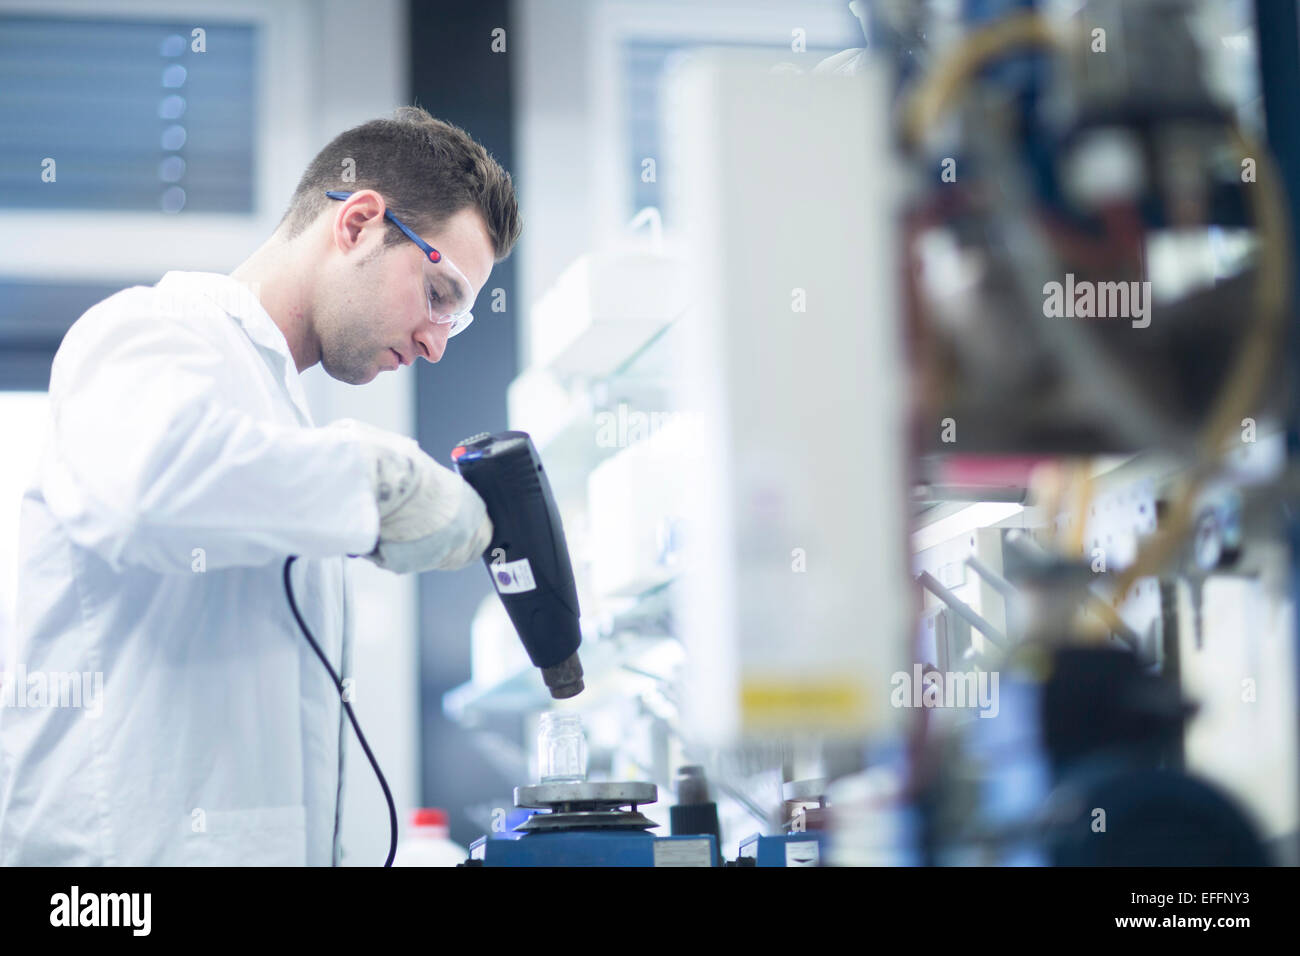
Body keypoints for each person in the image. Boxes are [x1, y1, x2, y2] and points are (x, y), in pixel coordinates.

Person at [0, 106, 521, 865]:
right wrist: (383, 483)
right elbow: (152, 485)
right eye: (440, 295)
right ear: (359, 224)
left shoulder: (276, 415)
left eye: (458, 319)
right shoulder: (150, 330)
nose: (436, 344)